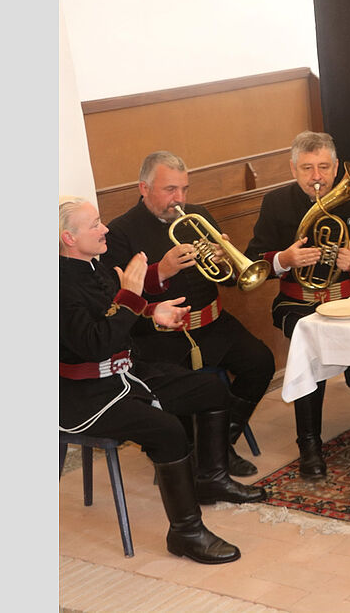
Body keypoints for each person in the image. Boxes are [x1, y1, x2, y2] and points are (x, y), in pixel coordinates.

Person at [59, 197, 267, 564]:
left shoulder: (96, 267)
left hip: (126, 374)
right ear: (68, 238)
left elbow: (120, 319)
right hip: (85, 395)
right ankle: (186, 533)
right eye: (94, 224)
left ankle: (211, 478)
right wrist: (133, 299)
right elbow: (95, 343)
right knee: (168, 430)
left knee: (211, 387)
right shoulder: (58, 285)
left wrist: (155, 313)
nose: (105, 228)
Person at [105, 151, 276, 477]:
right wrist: (162, 270)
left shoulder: (199, 215)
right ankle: (199, 455)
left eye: (184, 189)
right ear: (144, 187)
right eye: (170, 189)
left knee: (261, 361)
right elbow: (117, 299)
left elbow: (228, 280)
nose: (179, 199)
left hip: (212, 324)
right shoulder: (121, 232)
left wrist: (225, 261)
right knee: (183, 394)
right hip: (158, 336)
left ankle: (220, 446)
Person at [246, 131, 350, 474]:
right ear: (293, 168)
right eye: (308, 168)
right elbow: (254, 259)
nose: (317, 177)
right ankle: (309, 444)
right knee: (307, 350)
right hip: (298, 303)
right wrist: (284, 258)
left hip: (349, 298)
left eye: (325, 168)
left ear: (337, 167)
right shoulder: (276, 203)